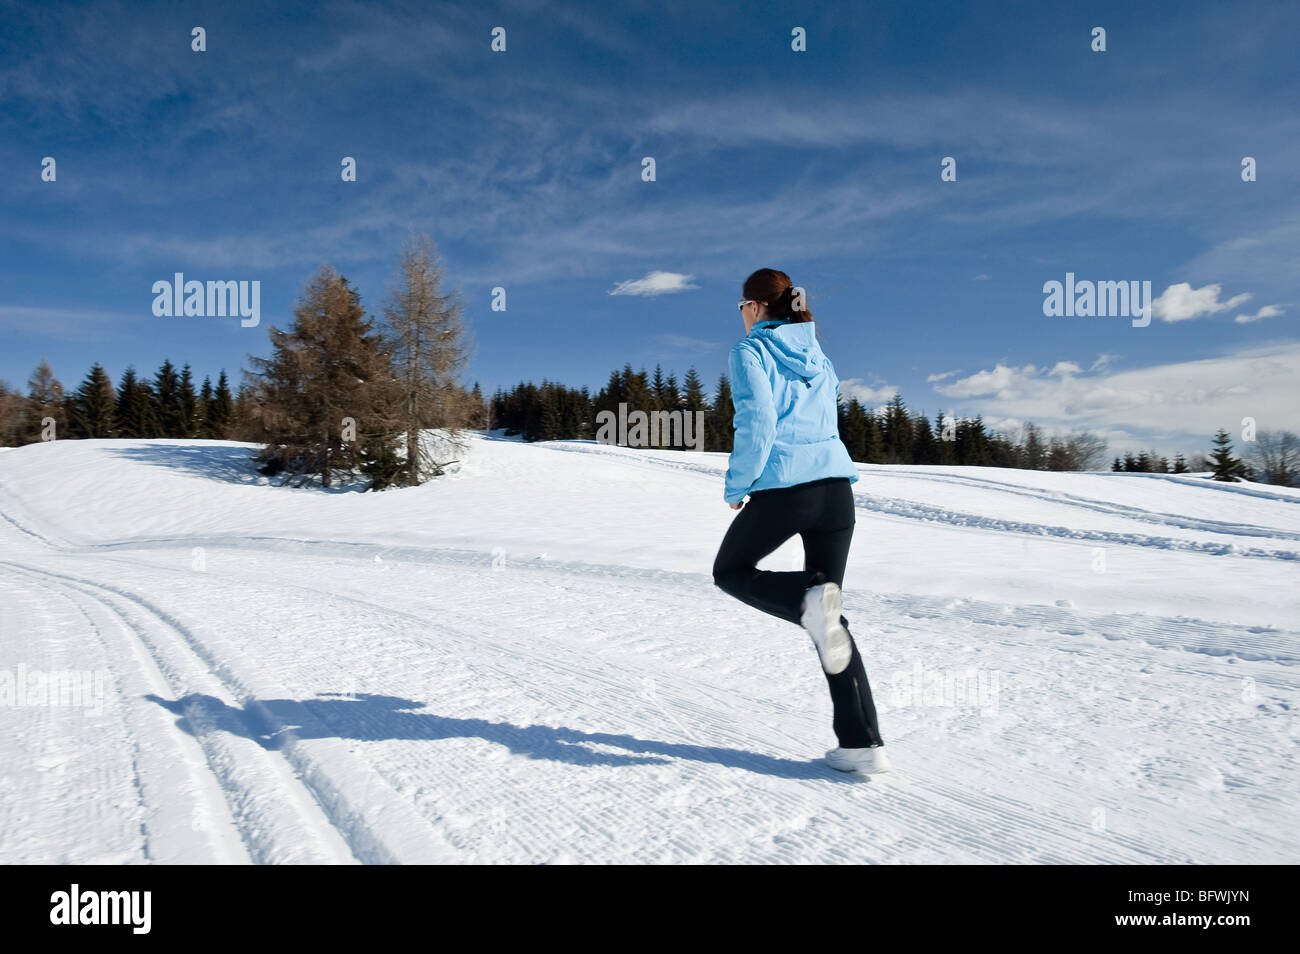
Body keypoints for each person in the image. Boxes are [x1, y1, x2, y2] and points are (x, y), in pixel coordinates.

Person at [711, 268, 890, 775]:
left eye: (741, 306)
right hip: (837, 495)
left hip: (789, 489)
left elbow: (759, 420)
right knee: (830, 621)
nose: (741, 315)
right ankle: (861, 744)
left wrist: (738, 483)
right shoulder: (818, 354)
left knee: (732, 571)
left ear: (754, 306)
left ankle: (809, 600)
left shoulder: (749, 352)